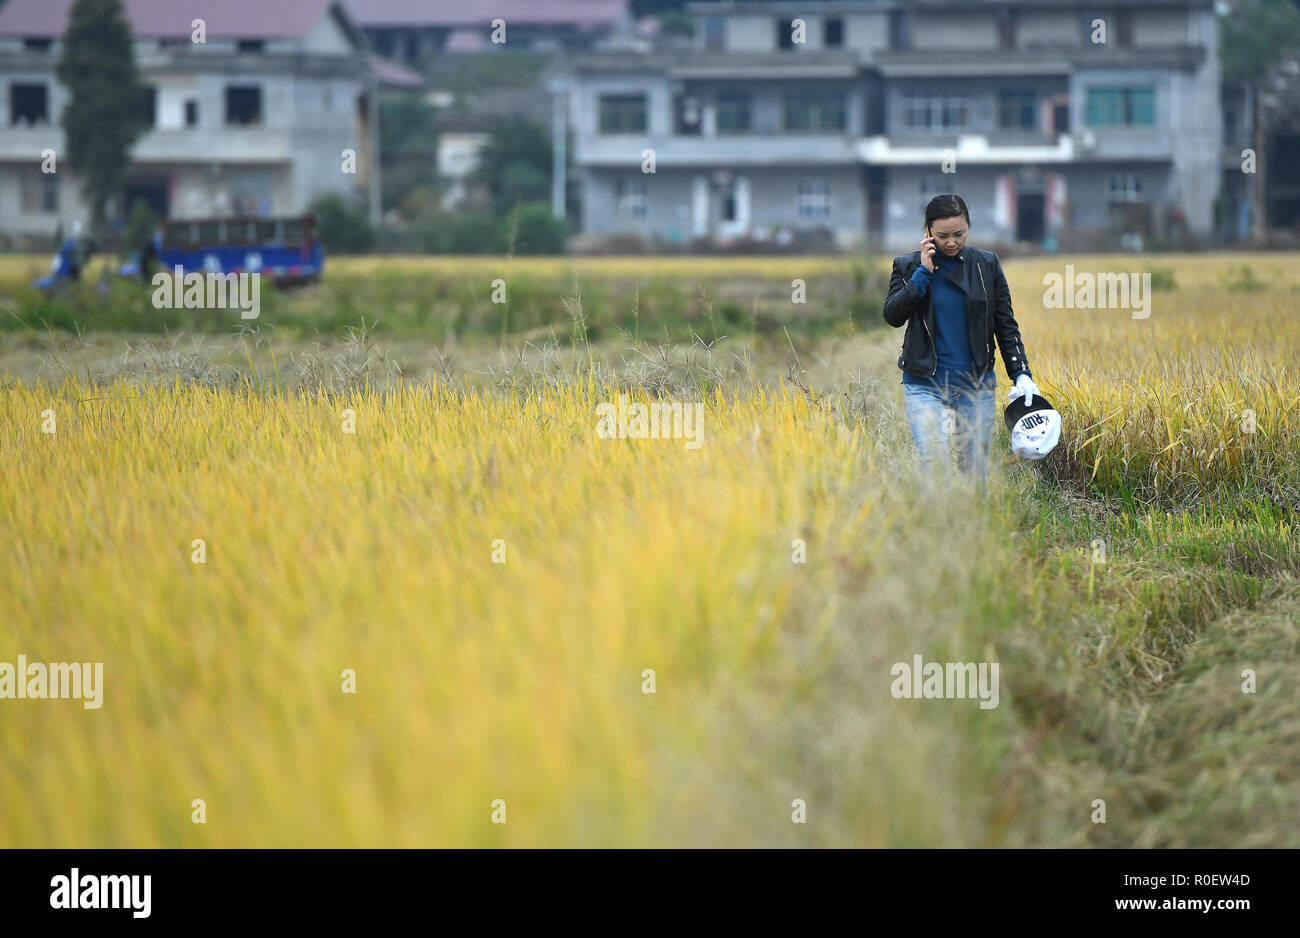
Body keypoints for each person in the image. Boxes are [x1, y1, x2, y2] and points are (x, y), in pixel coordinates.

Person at [882, 194, 1040, 493]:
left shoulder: (987, 265)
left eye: (959, 234)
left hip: (975, 385)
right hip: (924, 385)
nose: (951, 242)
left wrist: (1021, 373)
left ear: (968, 227)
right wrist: (922, 275)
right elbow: (892, 315)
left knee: (974, 472)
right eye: (942, 236)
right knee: (935, 464)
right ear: (927, 231)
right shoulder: (907, 266)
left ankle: (971, 530)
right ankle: (940, 532)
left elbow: (1005, 324)